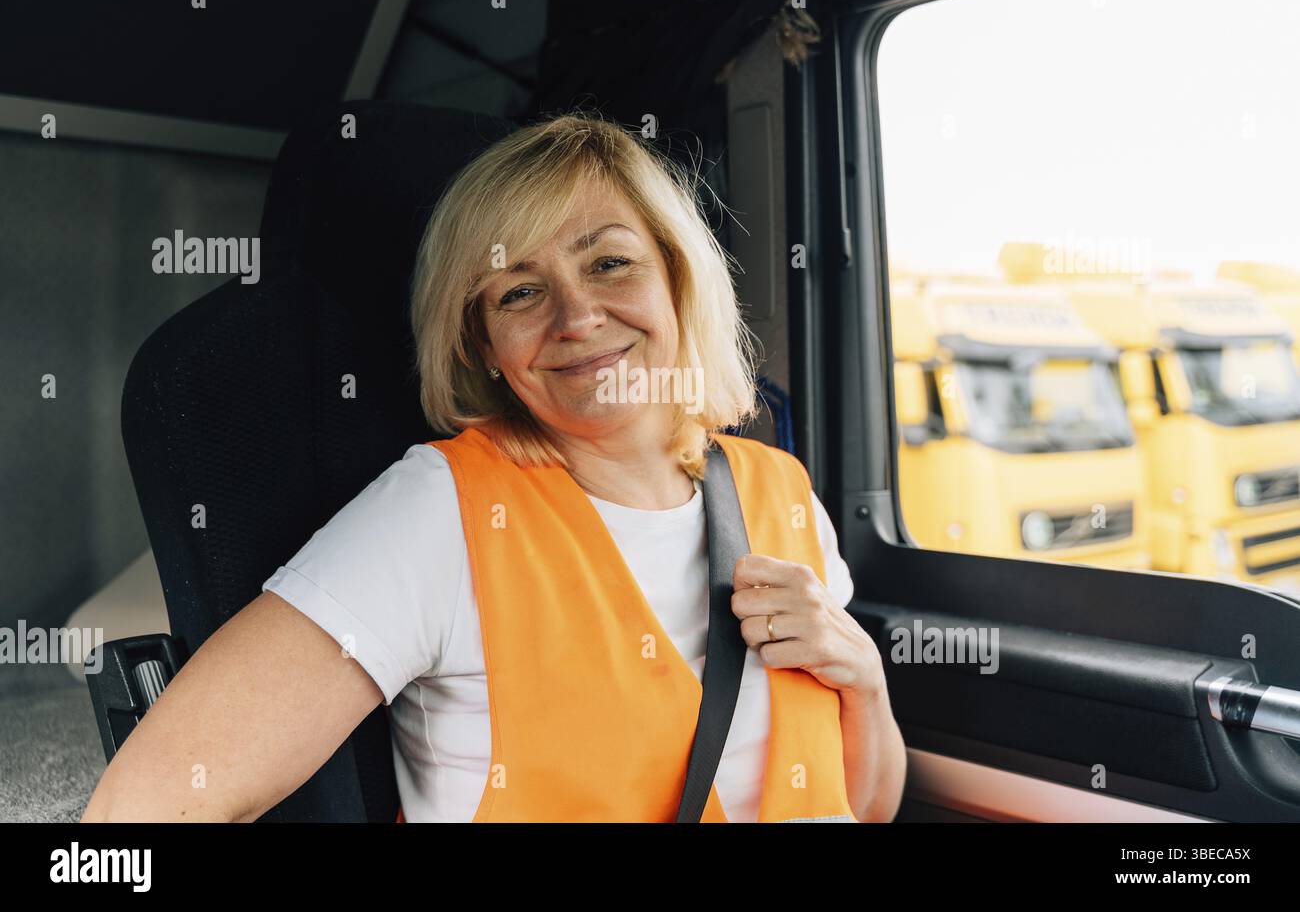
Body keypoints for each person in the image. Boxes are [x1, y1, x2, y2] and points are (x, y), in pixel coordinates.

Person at [81, 111, 906, 823]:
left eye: (609, 262)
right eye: (518, 292)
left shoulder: (779, 491)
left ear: (678, 277)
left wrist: (861, 678)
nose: (578, 316)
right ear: (484, 346)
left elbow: (860, 805)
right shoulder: (440, 511)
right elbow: (146, 803)